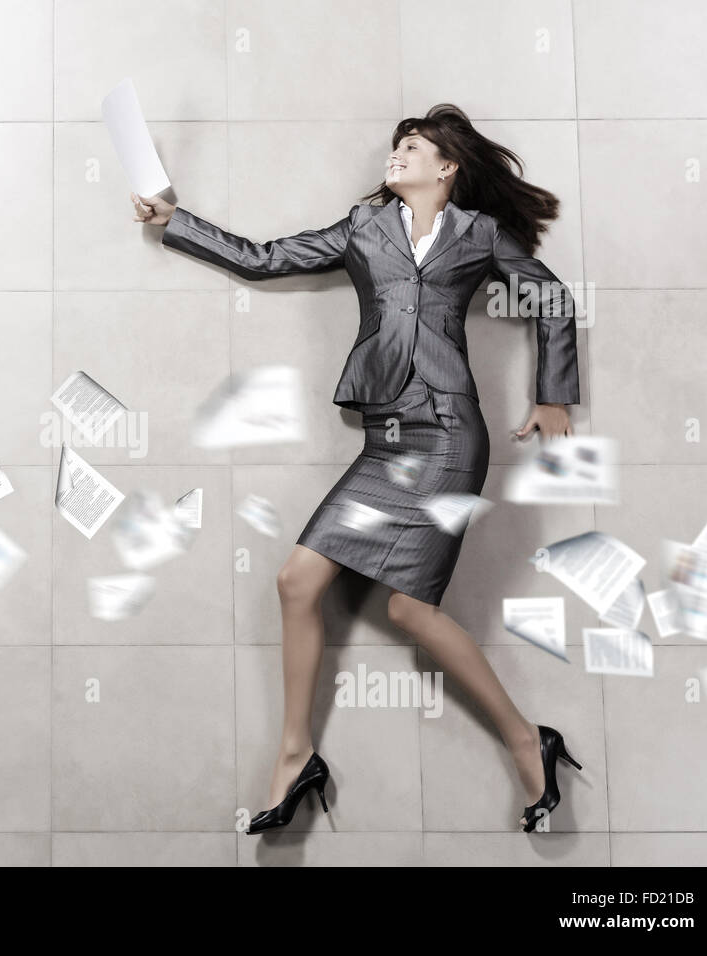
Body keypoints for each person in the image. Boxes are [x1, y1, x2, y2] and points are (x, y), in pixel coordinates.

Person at [132, 104, 583, 834]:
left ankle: (529, 739)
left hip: (446, 435)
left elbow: (552, 301)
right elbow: (263, 257)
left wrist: (553, 395)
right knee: (296, 580)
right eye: (395, 145)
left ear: (447, 167)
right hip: (384, 439)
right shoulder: (361, 229)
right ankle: (295, 752)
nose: (395, 154)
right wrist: (175, 219)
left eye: (412, 146)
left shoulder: (479, 235)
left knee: (409, 610)